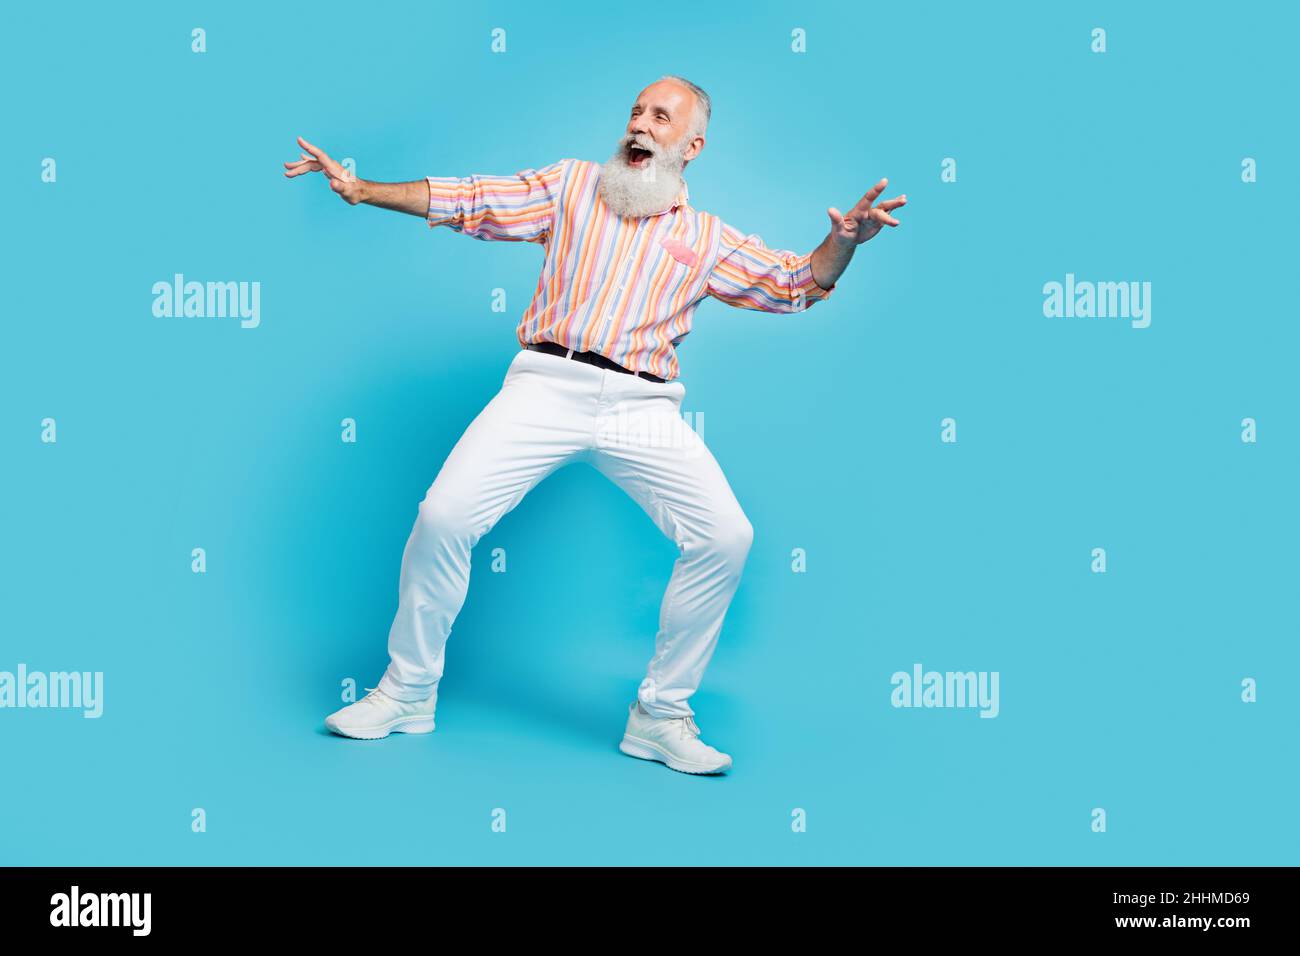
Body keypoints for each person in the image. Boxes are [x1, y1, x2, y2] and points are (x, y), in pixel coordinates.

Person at [284, 75, 906, 774]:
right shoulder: (571, 186)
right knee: (443, 516)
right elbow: (471, 200)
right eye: (636, 111)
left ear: (692, 145)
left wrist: (844, 242)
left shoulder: (706, 238)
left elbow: (795, 287)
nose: (640, 123)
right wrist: (367, 190)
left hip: (643, 406)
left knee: (727, 536)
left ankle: (661, 716)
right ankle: (407, 691)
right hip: (546, 386)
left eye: (661, 116)